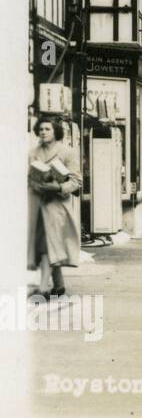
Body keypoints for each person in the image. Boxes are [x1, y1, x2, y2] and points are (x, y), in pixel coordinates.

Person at [28, 117, 81, 300]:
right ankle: (58, 286)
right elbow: (27, 176)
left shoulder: (67, 152)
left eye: (47, 129)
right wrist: (34, 184)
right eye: (41, 129)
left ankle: (43, 288)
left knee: (50, 244)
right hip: (38, 203)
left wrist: (59, 187)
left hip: (57, 205)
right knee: (47, 244)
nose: (43, 132)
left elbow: (76, 181)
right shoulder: (33, 153)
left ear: (55, 131)